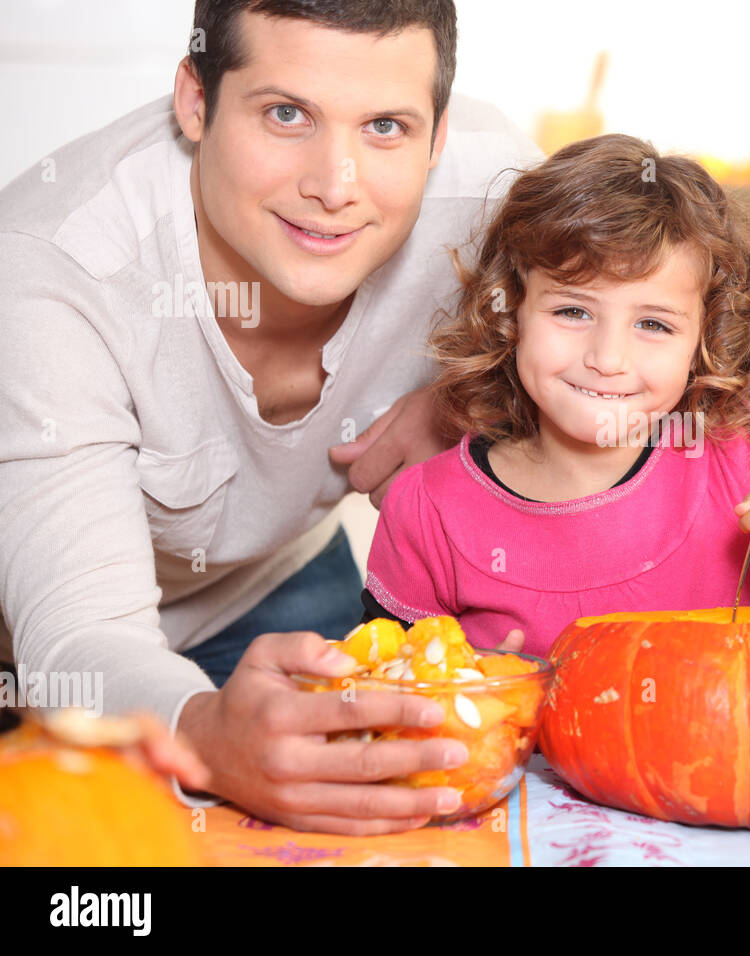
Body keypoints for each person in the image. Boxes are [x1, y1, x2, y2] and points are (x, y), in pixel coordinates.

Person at [0, 0, 542, 833]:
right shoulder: (50, 269)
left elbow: (637, 352)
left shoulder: (497, 190)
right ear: (195, 101)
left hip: (272, 579)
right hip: (37, 647)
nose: (334, 185)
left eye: (387, 127)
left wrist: (481, 390)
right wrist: (209, 737)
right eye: (286, 114)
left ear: (438, 138)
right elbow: (77, 640)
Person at [359, 134, 750, 662]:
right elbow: (384, 687)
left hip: (717, 789)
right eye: (573, 310)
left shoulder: (742, 452)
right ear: (511, 312)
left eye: (654, 324)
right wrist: (462, 684)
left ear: (702, 340)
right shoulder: (428, 508)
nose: (608, 358)